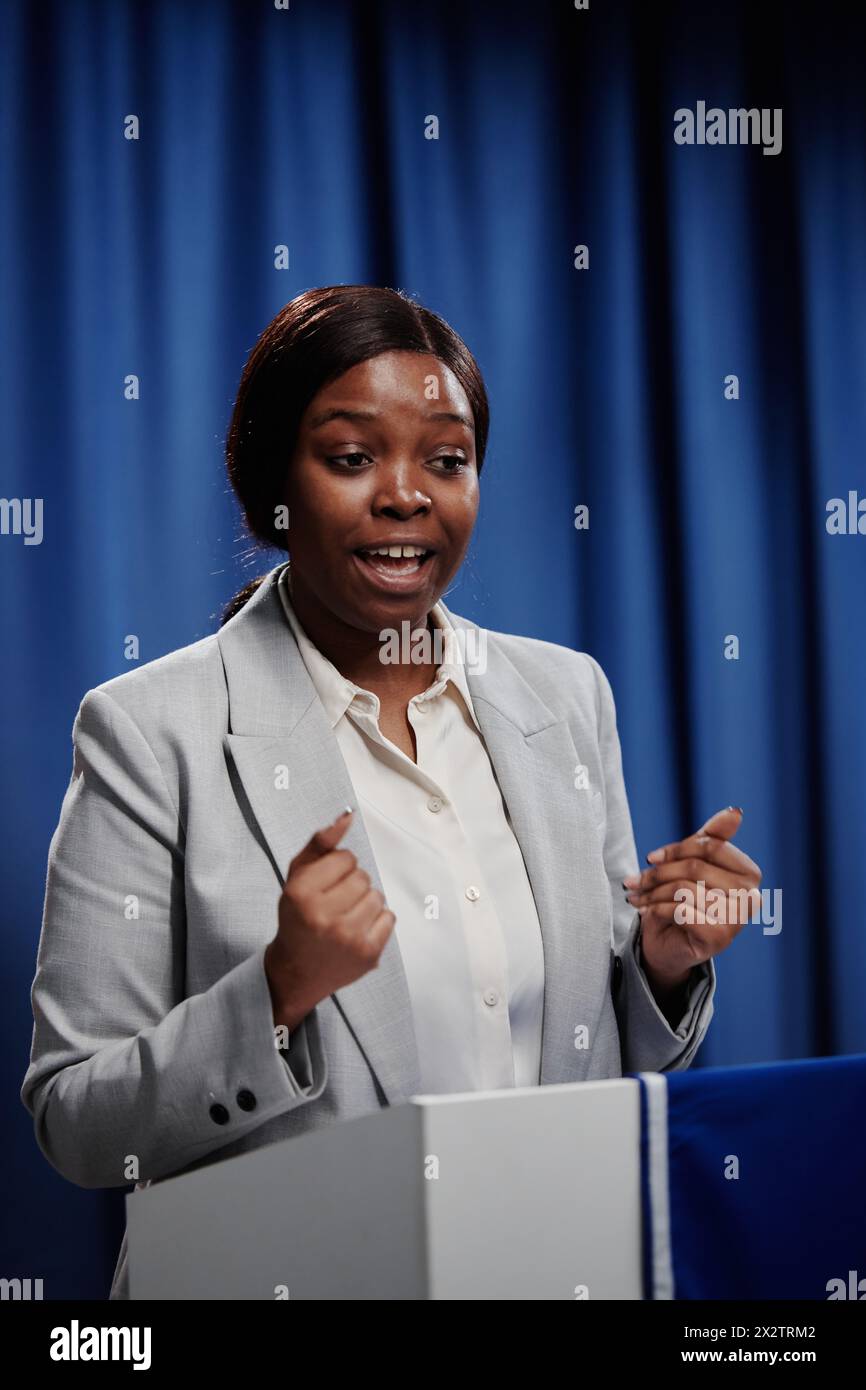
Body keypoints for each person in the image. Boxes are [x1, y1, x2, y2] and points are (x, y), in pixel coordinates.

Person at [21, 285, 762, 1300]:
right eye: (351, 456)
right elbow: (75, 1117)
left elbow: (586, 1065)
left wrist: (664, 966)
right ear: (270, 484)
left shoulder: (563, 695)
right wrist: (276, 989)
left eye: (446, 460)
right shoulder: (150, 730)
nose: (406, 495)